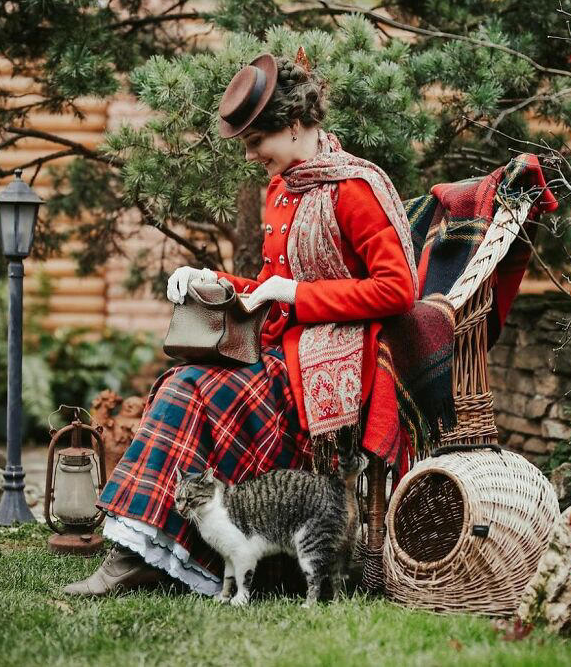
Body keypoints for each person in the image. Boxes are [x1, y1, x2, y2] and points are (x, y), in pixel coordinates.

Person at [63, 50, 417, 596]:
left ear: (296, 124)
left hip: (333, 376)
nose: (252, 156)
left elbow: (398, 290)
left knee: (191, 390)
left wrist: (297, 294)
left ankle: (145, 557)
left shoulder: (355, 189)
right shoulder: (286, 187)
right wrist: (210, 278)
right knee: (182, 384)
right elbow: (270, 284)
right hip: (281, 356)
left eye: (257, 142)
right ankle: (142, 551)